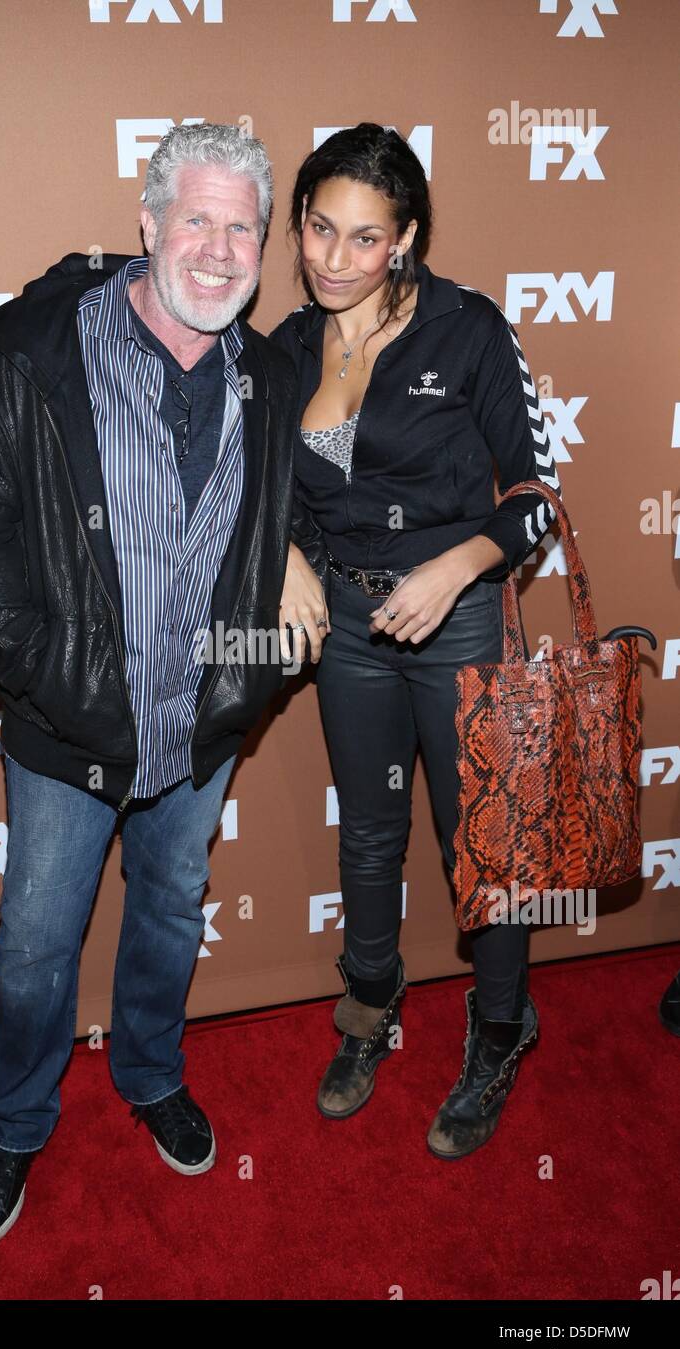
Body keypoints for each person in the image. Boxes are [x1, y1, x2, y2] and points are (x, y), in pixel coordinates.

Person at [0, 121, 328, 1246]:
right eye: (192, 219)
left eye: (240, 226)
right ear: (146, 225)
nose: (215, 248)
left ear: (263, 247)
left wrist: (290, 555)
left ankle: (150, 1072)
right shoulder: (28, 359)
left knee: (166, 913)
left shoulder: (271, 375)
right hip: (67, 731)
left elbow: (293, 512)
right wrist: (78, 689)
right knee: (37, 946)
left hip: (201, 734)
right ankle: (15, 1122)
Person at [273, 123, 563, 1159]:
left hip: (457, 622)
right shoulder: (281, 347)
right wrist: (284, 559)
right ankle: (367, 1015)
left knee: (481, 844)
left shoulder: (466, 328)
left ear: (403, 240)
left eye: (363, 238)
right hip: (347, 630)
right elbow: (250, 494)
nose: (332, 259)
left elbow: (535, 494)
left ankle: (497, 1032)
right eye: (317, 229)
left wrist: (453, 569)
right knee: (366, 836)